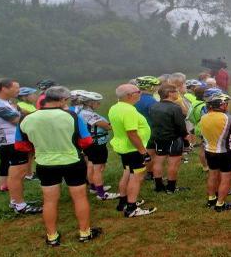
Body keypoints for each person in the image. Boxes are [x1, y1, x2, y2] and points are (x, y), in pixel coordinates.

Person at [19, 87, 101, 246]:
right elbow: (86, 141)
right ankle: (85, 232)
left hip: (45, 163)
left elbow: (21, 145)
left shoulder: (27, 118)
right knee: (79, 197)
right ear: (63, 100)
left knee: (49, 200)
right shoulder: (72, 116)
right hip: (72, 161)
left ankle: (52, 236)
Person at [0, 78, 41, 214]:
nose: (18, 90)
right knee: (18, 174)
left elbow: (21, 113)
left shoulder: (4, 102)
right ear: (4, 88)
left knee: (16, 173)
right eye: (15, 88)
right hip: (11, 143)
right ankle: (20, 206)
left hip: (12, 141)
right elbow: (17, 119)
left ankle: (15, 201)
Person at [108, 83, 157, 218]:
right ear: (129, 95)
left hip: (124, 147)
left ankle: (123, 202)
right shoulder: (129, 110)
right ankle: (131, 208)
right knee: (136, 177)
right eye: (138, 92)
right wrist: (143, 152)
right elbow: (132, 133)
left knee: (127, 173)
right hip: (133, 149)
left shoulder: (115, 107)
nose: (140, 93)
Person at [200, 92, 231, 211]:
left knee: (212, 175)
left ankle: (211, 199)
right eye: (227, 104)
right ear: (222, 105)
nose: (228, 106)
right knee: (226, 178)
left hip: (209, 151)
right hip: (225, 152)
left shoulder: (204, 117)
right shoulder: (230, 118)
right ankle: (220, 204)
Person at [148, 84, 190, 194]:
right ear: (169, 93)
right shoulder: (175, 107)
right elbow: (180, 125)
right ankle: (171, 188)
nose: (178, 94)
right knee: (173, 163)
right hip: (173, 139)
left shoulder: (154, 106)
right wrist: (185, 137)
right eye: (176, 91)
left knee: (158, 161)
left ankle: (159, 186)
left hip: (158, 137)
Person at [77, 91, 119, 200]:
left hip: (89, 143)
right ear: (90, 103)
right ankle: (101, 194)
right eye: (97, 102)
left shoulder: (81, 112)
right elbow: (107, 126)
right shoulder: (89, 114)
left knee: (91, 165)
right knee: (98, 168)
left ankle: (94, 187)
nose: (99, 104)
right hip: (97, 144)